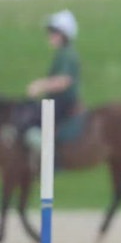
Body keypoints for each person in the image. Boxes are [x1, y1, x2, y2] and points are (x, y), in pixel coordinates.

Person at [20, 9, 83, 156]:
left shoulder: (67, 55)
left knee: (28, 119)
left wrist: (39, 86)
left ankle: (48, 155)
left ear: (63, 35)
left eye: (53, 32)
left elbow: (63, 81)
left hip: (63, 102)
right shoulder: (64, 53)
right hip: (60, 101)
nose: (50, 35)